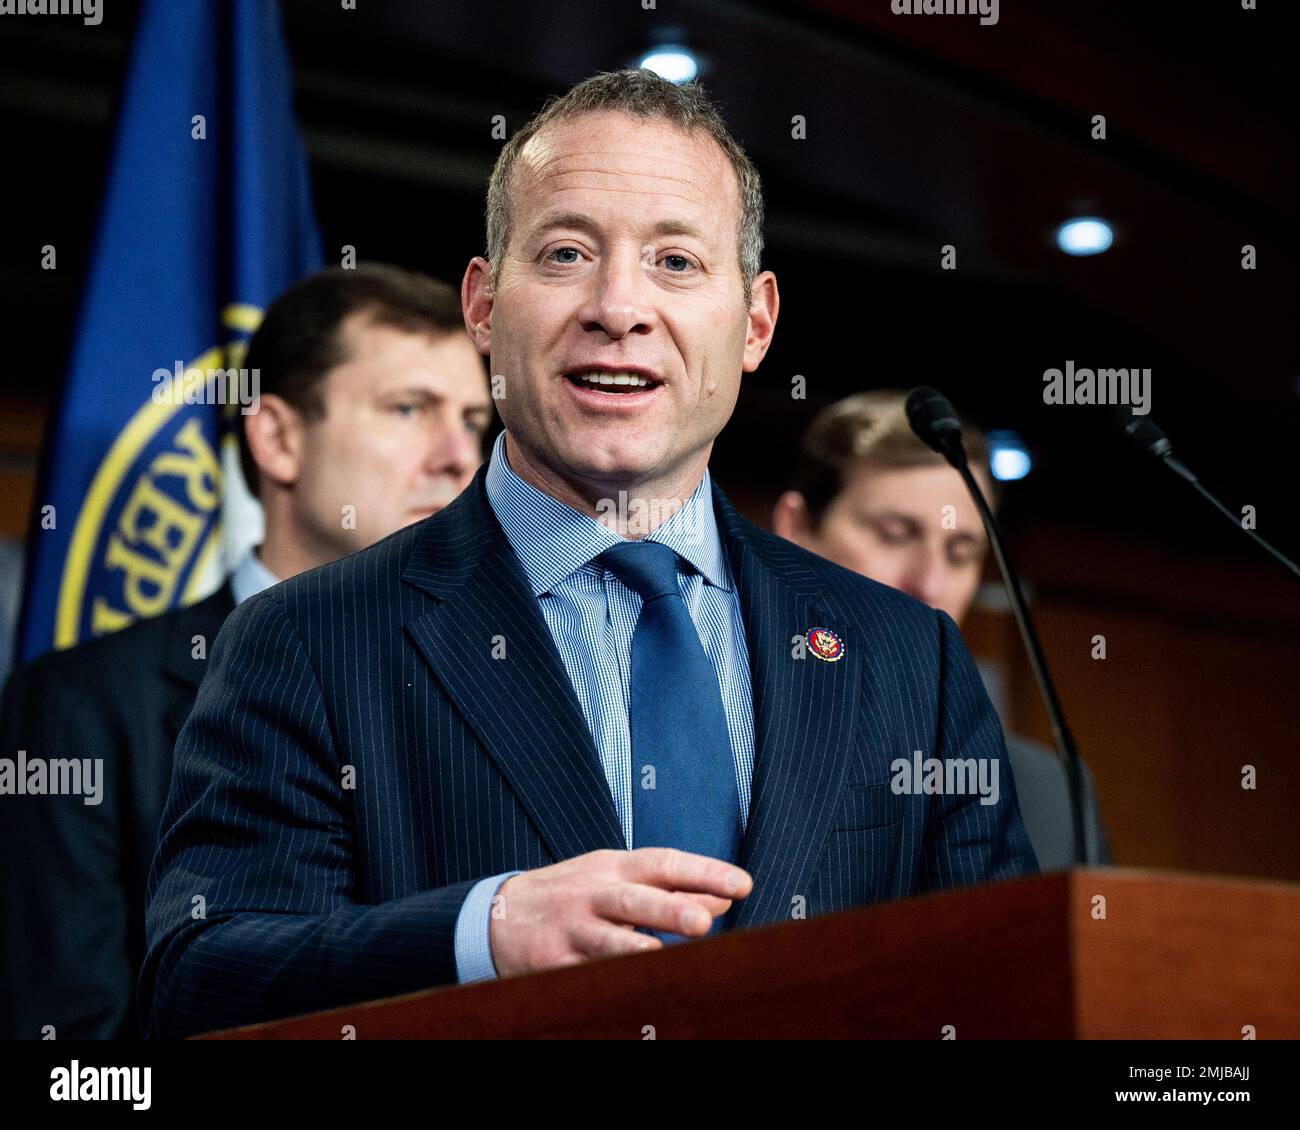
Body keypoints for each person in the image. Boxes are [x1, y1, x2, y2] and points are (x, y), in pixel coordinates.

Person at [140, 69, 1038, 1039]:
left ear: (756, 321)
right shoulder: (306, 637)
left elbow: (1009, 985)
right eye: (567, 253)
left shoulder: (906, 655)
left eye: (676, 262)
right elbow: (199, 981)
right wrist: (479, 932)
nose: (618, 305)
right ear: (483, 306)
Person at [0, 263, 492, 1039]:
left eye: (472, 421)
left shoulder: (501, 684)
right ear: (278, 437)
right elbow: (71, 1049)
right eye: (409, 409)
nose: (458, 457)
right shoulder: (83, 705)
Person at [772, 389, 1112, 869]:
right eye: (894, 535)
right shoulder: (720, 741)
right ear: (797, 529)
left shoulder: (1049, 793)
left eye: (961, 553)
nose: (930, 585)